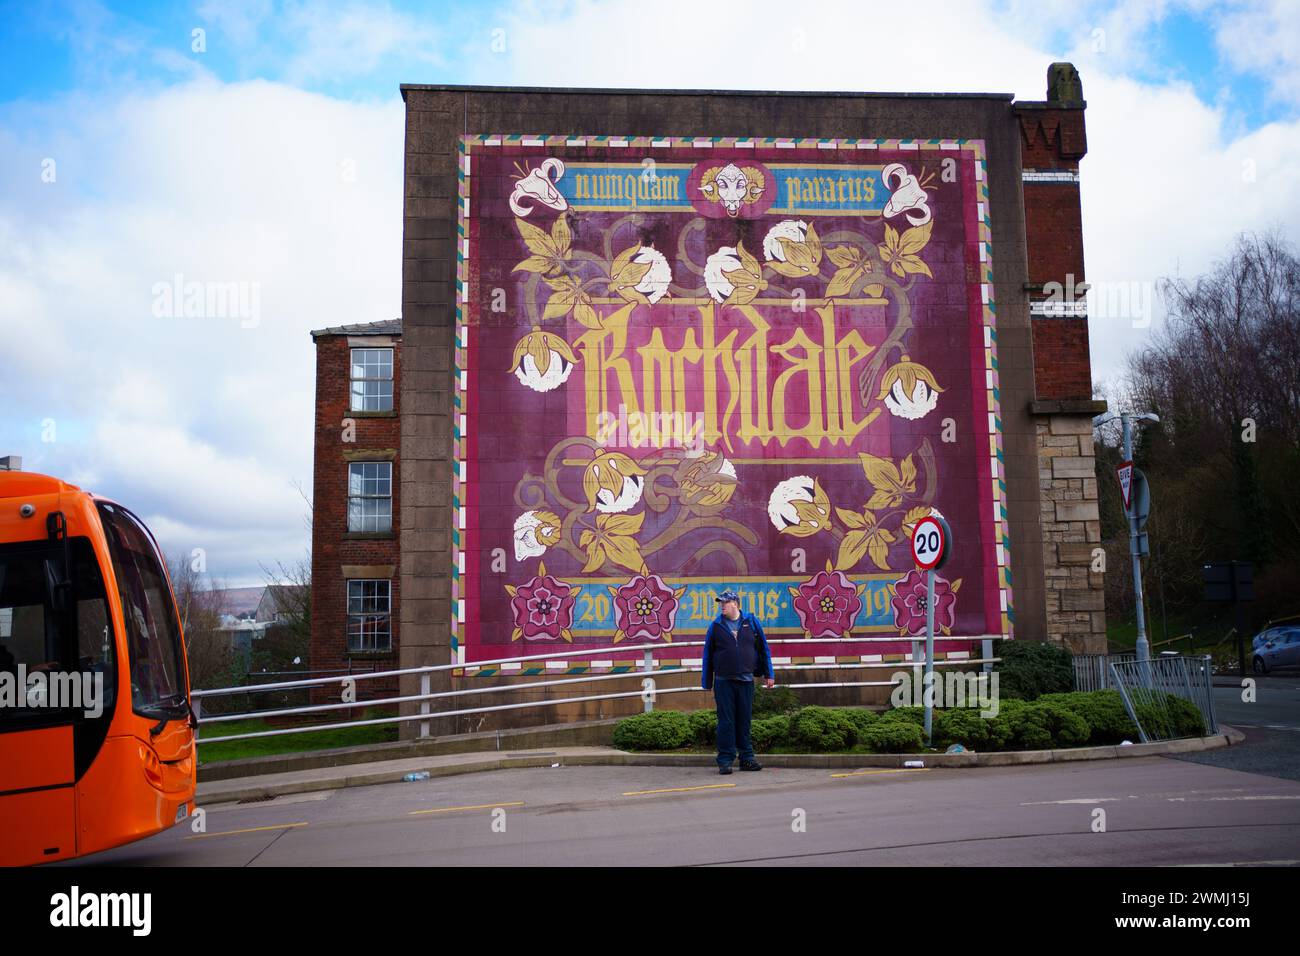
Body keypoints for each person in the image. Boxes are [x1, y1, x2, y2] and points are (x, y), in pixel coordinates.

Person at [701, 589, 775, 774]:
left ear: (735, 603)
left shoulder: (751, 622)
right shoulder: (716, 625)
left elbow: (763, 649)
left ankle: (747, 759)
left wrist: (769, 674)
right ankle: (725, 760)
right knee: (726, 722)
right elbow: (707, 655)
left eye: (724, 602)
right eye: (720, 603)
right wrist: (706, 682)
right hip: (723, 682)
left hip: (746, 680)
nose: (721, 606)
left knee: (744, 721)